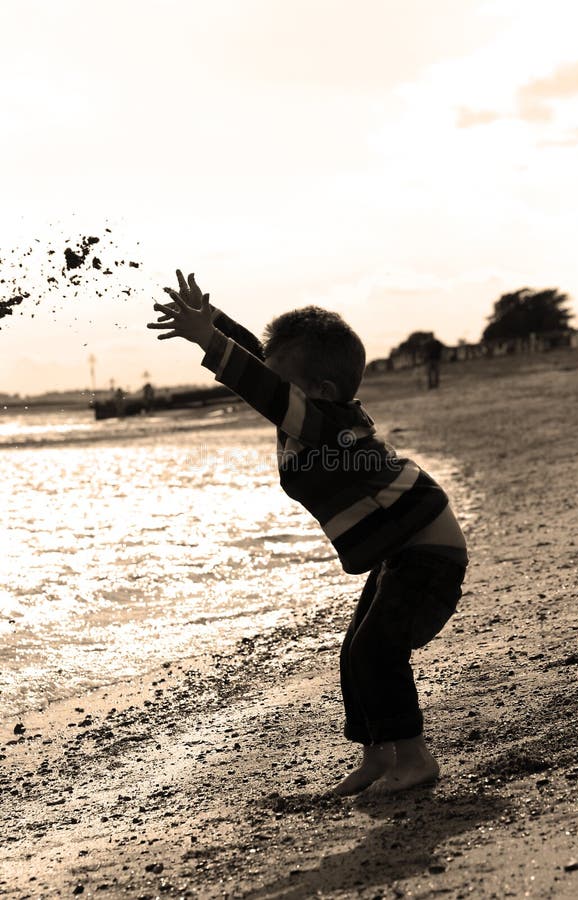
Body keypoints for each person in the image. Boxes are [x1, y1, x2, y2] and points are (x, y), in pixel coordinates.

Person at [147, 270, 468, 796]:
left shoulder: (324, 424)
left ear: (320, 392)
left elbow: (264, 386)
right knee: (355, 653)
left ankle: (414, 758)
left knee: (377, 651)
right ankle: (379, 756)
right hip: (402, 549)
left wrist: (209, 340)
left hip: (429, 550)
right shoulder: (308, 413)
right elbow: (264, 368)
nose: (276, 399)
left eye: (286, 389)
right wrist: (217, 324)